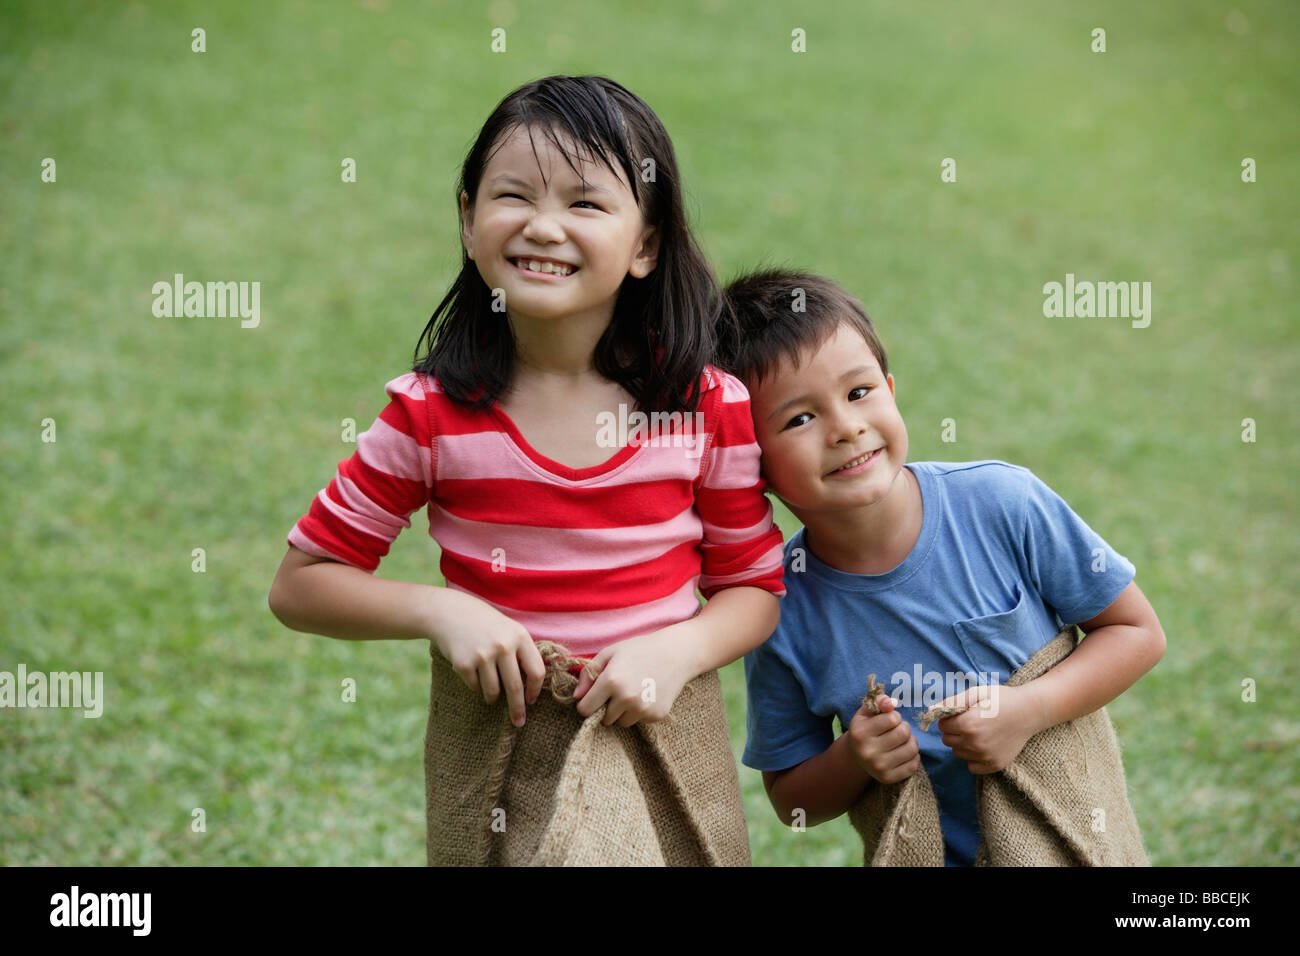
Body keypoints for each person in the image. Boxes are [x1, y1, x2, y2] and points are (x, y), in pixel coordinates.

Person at [268, 76, 784, 864]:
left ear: (646, 244)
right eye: (513, 195)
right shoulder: (430, 414)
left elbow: (753, 587)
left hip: (659, 731)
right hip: (501, 749)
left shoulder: (705, 404)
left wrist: (675, 652)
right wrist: (445, 613)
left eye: (585, 203)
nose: (544, 227)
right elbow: (300, 586)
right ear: (470, 220)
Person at [717, 268, 1166, 866]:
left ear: (891, 390)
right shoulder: (777, 605)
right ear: (752, 461)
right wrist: (852, 758)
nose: (847, 428)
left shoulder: (1003, 504)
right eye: (799, 419)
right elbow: (792, 801)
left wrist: (1027, 710)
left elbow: (1138, 633)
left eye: (859, 393)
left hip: (1070, 843)